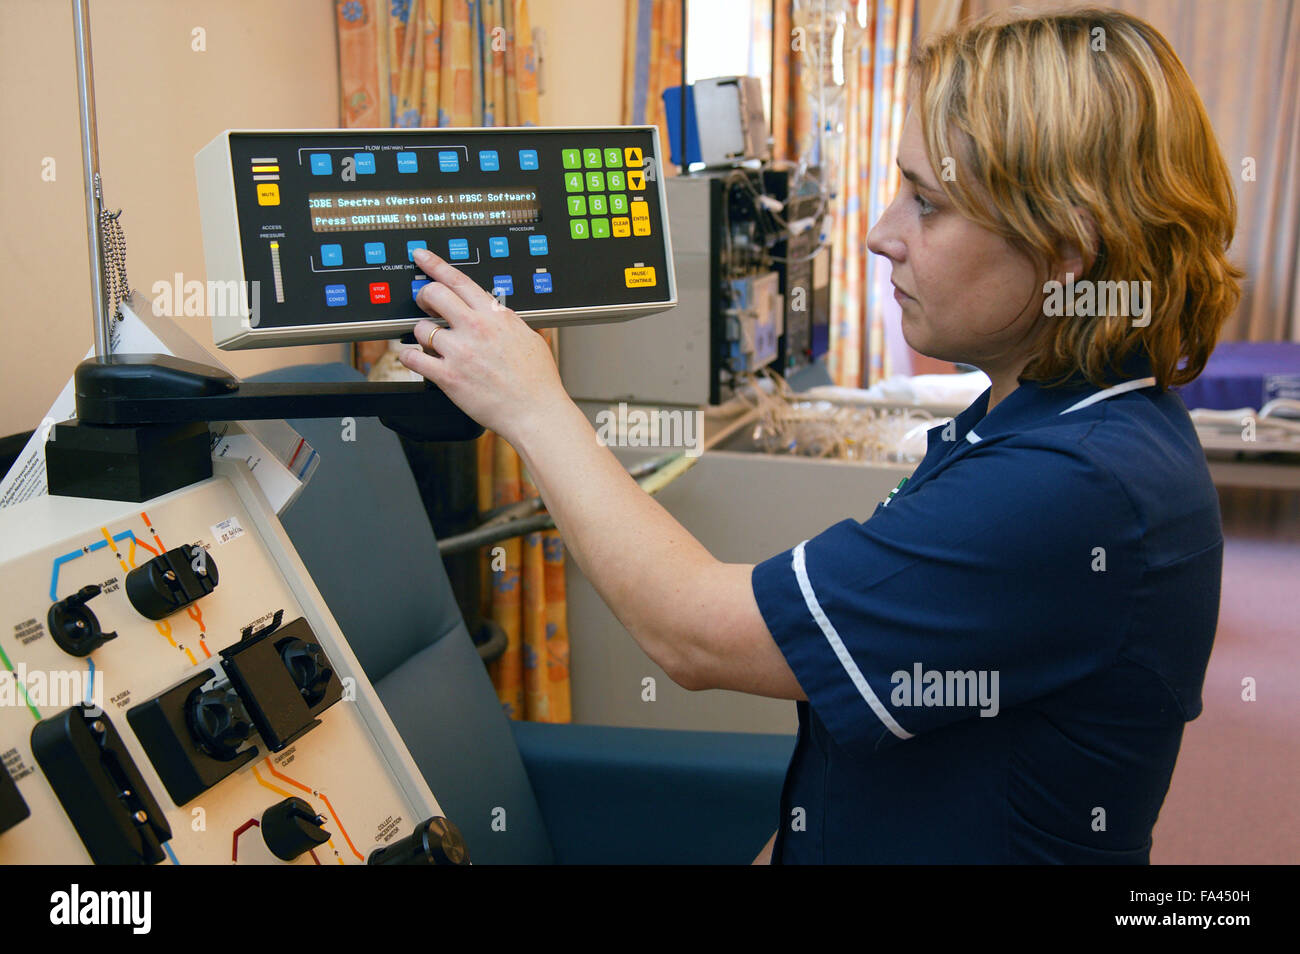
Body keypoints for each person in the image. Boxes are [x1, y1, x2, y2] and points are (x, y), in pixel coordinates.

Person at [397, 6, 1243, 863]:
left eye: (928, 203)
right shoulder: (1051, 421)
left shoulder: (1073, 487)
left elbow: (689, 631)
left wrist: (534, 403)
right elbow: (880, 771)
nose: (881, 235)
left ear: (1067, 250)